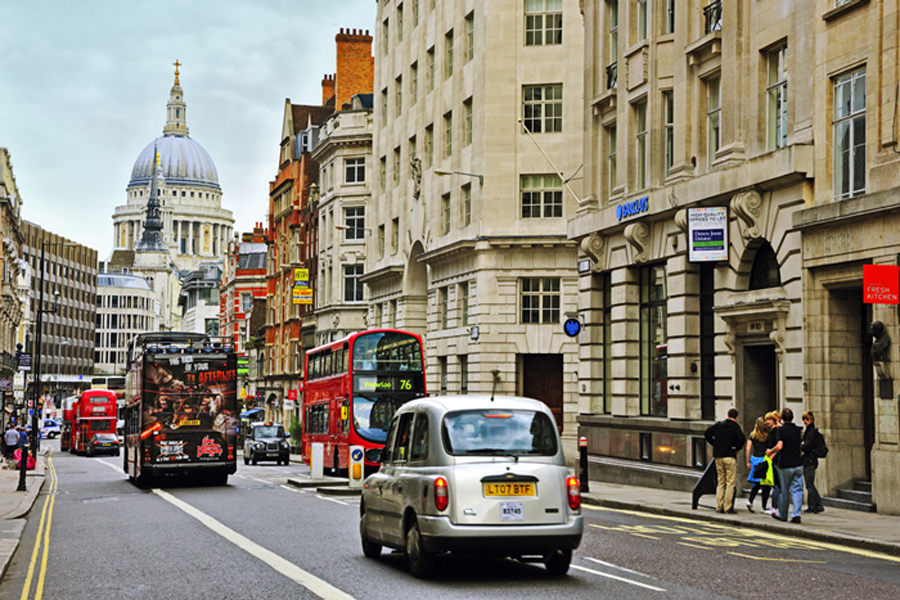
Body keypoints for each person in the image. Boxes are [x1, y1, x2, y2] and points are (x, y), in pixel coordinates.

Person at [704, 407, 747, 514]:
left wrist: (714, 444)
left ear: (728, 415)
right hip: (730, 456)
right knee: (730, 483)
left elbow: (707, 433)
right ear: (736, 417)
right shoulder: (735, 427)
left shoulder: (719, 425)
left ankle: (719, 506)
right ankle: (728, 507)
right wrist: (736, 448)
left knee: (721, 482)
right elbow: (742, 439)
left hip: (718, 456)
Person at [766, 407, 804, 523]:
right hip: (798, 464)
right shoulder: (798, 430)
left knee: (784, 490)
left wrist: (770, 451)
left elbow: (780, 446)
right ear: (792, 417)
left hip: (785, 464)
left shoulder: (781, 430)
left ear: (782, 418)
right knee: (797, 490)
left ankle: (783, 514)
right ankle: (796, 514)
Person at [800, 411, 826, 514]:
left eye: (807, 419)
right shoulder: (809, 431)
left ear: (812, 420)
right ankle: (817, 505)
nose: (805, 421)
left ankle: (814, 505)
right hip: (809, 460)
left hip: (810, 460)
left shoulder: (811, 433)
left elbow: (806, 446)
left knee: (809, 484)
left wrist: (802, 445)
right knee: (809, 484)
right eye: (804, 419)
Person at [745, 417, 772, 513]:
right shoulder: (767, 435)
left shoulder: (752, 435)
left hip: (755, 459)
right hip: (764, 459)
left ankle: (750, 501)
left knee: (756, 484)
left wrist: (748, 461)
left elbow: (748, 449)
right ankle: (763, 507)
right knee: (765, 484)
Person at [763, 410, 782, 515]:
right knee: (774, 484)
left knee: (776, 485)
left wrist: (771, 457)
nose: (767, 421)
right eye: (766, 419)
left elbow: (777, 447)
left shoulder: (776, 431)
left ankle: (775, 507)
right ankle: (775, 506)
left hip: (774, 460)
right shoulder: (771, 431)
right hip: (771, 460)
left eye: (770, 419)